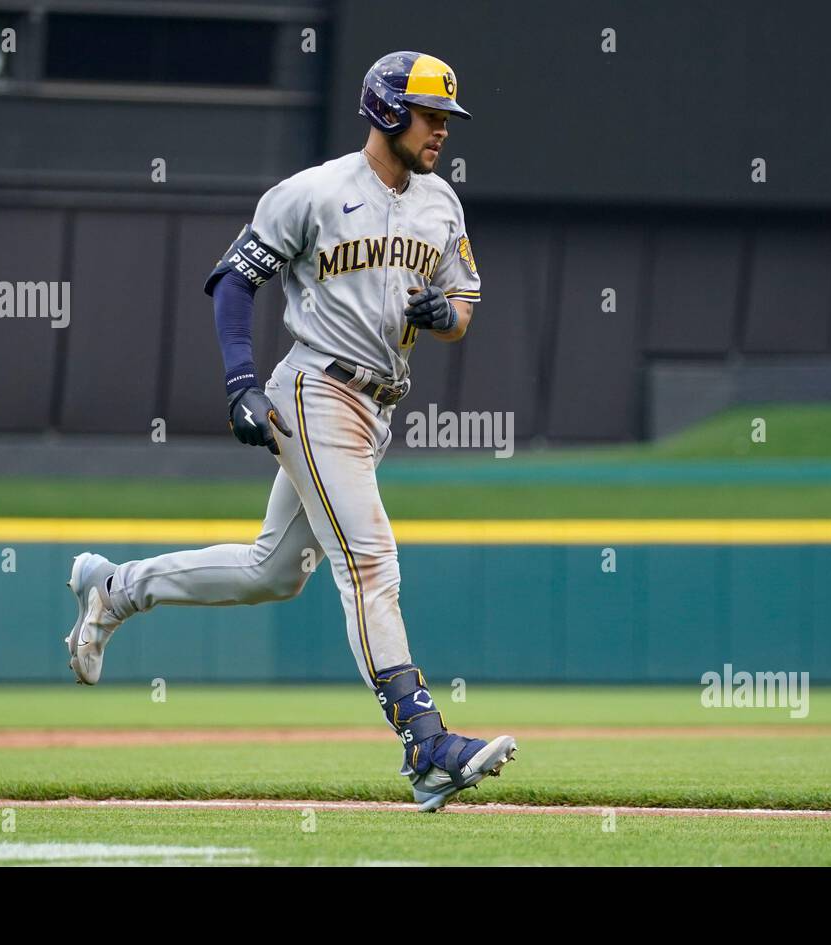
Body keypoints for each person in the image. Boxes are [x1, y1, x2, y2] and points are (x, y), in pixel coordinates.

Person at [61, 51, 515, 811]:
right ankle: (427, 745)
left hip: (376, 410)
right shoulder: (314, 192)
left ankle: (116, 589)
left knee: (273, 571)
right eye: (431, 116)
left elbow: (462, 301)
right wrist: (240, 383)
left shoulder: (442, 204)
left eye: (445, 119)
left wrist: (447, 319)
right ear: (387, 112)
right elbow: (234, 279)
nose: (442, 131)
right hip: (314, 387)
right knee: (371, 566)